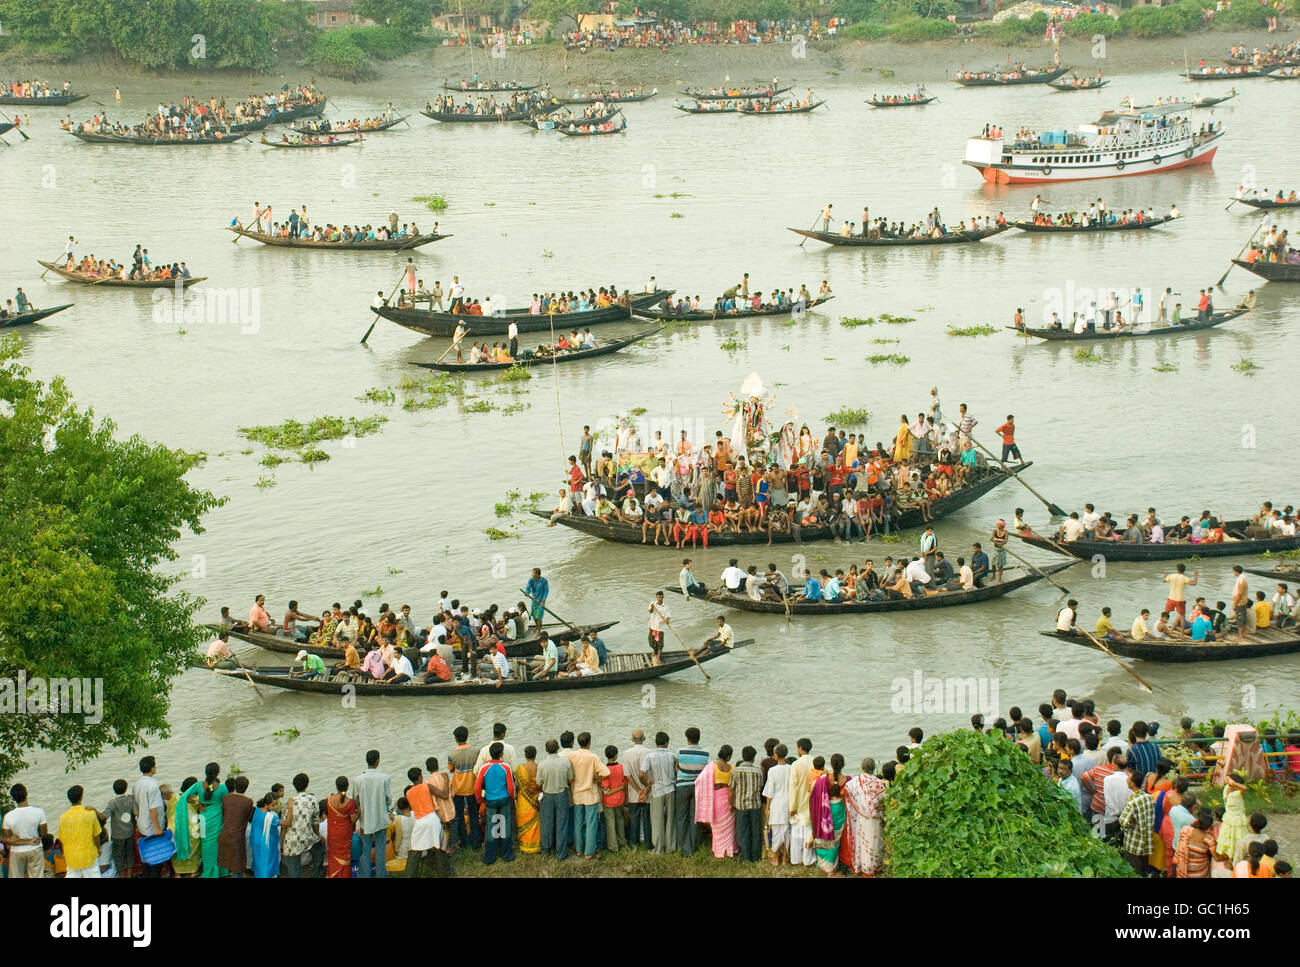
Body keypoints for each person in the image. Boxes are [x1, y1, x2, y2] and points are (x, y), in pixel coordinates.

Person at [175, 762, 227, 878]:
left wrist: (198, 804)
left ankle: (208, 870)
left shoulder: (199, 785)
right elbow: (226, 803)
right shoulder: (223, 787)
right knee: (216, 845)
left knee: (206, 844)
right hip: (217, 818)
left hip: (204, 817)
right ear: (217, 773)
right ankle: (218, 871)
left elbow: (185, 797)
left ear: (205, 772)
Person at [568, 732, 610, 859]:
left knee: (578, 822)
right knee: (591, 824)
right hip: (590, 794)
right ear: (589, 743)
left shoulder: (572, 755)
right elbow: (606, 772)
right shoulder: (593, 757)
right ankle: (589, 851)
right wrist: (596, 778)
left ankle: (579, 849)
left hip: (576, 793)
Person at [475, 741, 516, 865]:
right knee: (505, 825)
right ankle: (507, 854)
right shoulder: (506, 766)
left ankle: (490, 856)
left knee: (492, 827)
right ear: (501, 754)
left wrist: (480, 800)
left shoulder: (484, 767)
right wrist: (511, 797)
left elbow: (477, 788)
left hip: (491, 800)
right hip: (504, 800)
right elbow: (510, 788)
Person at [843, 758, 887, 876]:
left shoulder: (856, 781)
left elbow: (845, 791)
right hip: (874, 819)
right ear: (873, 768)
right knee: (874, 843)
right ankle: (872, 868)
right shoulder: (878, 783)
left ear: (862, 767)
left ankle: (861, 866)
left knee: (863, 843)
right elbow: (884, 800)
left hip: (862, 817)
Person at [353, 748, 391, 877]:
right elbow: (388, 799)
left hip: (366, 820)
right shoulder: (385, 778)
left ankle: (364, 875)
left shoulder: (358, 780)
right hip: (381, 818)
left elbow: (355, 801)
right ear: (378, 761)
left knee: (366, 849)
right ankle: (382, 875)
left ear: (366, 761)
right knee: (381, 849)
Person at [695, 745, 737, 859]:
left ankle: (719, 850)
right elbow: (733, 787)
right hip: (728, 798)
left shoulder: (711, 767)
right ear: (729, 756)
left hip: (716, 799)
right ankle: (729, 850)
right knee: (729, 827)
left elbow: (699, 780)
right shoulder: (733, 768)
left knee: (717, 826)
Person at [811, 753, 848, 874]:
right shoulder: (847, 780)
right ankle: (834, 863)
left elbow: (814, 797)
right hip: (839, 810)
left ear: (831, 764)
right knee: (836, 836)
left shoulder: (822, 780)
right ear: (843, 765)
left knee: (826, 836)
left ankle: (826, 866)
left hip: (825, 812)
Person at [536, 739, 573, 860]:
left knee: (546, 823)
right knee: (561, 824)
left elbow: (538, 783)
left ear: (546, 750)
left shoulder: (541, 764)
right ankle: (561, 853)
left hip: (547, 795)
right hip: (562, 795)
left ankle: (546, 849)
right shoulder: (566, 763)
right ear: (558, 748)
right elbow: (571, 779)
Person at [2, 783, 48, 878]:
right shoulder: (39, 812)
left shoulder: (8, 816)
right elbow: (44, 834)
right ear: (26, 794)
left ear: (13, 798)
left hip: (16, 851)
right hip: (35, 848)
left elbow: (8, 838)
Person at [59, 786, 104, 878]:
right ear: (81, 797)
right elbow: (96, 834)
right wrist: (99, 848)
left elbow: (61, 838)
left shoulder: (63, 817)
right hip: (88, 855)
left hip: (71, 856)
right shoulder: (90, 814)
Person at [1118, 768, 1154, 875]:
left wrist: (1130, 825)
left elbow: (1122, 821)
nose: (1127, 781)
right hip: (1147, 842)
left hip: (1133, 844)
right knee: (1144, 869)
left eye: (1128, 779)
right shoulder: (1149, 797)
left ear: (1133, 784)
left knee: (1133, 871)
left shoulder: (1132, 802)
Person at [731, 746, 764, 862]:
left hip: (741, 805)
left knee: (742, 831)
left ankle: (745, 856)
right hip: (755, 805)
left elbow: (732, 788)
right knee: (755, 831)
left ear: (742, 756)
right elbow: (760, 787)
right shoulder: (758, 771)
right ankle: (756, 856)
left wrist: (731, 804)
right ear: (753, 758)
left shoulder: (736, 770)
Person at [647, 730, 676, 854]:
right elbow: (677, 770)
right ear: (666, 743)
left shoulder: (649, 755)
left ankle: (658, 849)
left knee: (657, 820)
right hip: (671, 789)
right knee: (671, 819)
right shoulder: (672, 755)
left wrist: (648, 782)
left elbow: (641, 773)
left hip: (657, 790)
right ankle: (670, 847)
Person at [788, 737, 815, 867]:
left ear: (799, 748)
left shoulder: (796, 764)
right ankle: (808, 858)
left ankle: (796, 858)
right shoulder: (816, 762)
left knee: (797, 832)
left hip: (799, 801)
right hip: (812, 801)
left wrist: (792, 807)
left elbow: (792, 787)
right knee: (808, 831)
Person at [324, 775, 358, 877]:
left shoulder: (329, 799)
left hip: (333, 833)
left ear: (336, 786)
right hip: (344, 834)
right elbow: (353, 819)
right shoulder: (350, 803)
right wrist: (359, 813)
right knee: (344, 858)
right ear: (347, 787)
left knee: (333, 856)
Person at [514, 747, 542, 854]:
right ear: (535, 755)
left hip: (523, 800)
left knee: (523, 821)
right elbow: (540, 785)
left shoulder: (519, 769)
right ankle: (536, 846)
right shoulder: (539, 767)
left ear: (525, 756)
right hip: (535, 799)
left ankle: (524, 846)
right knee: (535, 824)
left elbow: (517, 786)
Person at [600, 745, 627, 851]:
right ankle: (622, 842)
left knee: (610, 823)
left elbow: (605, 789)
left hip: (608, 801)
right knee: (620, 820)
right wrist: (620, 788)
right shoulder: (621, 767)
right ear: (616, 756)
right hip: (620, 798)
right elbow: (624, 783)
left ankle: (613, 846)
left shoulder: (605, 770)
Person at [250, 795, 282, 878]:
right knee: (269, 862)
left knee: (259, 861)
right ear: (266, 804)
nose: (275, 807)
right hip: (268, 843)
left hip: (257, 840)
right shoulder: (272, 817)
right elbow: (288, 823)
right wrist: (290, 809)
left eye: (276, 804)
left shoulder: (257, 810)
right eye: (273, 805)